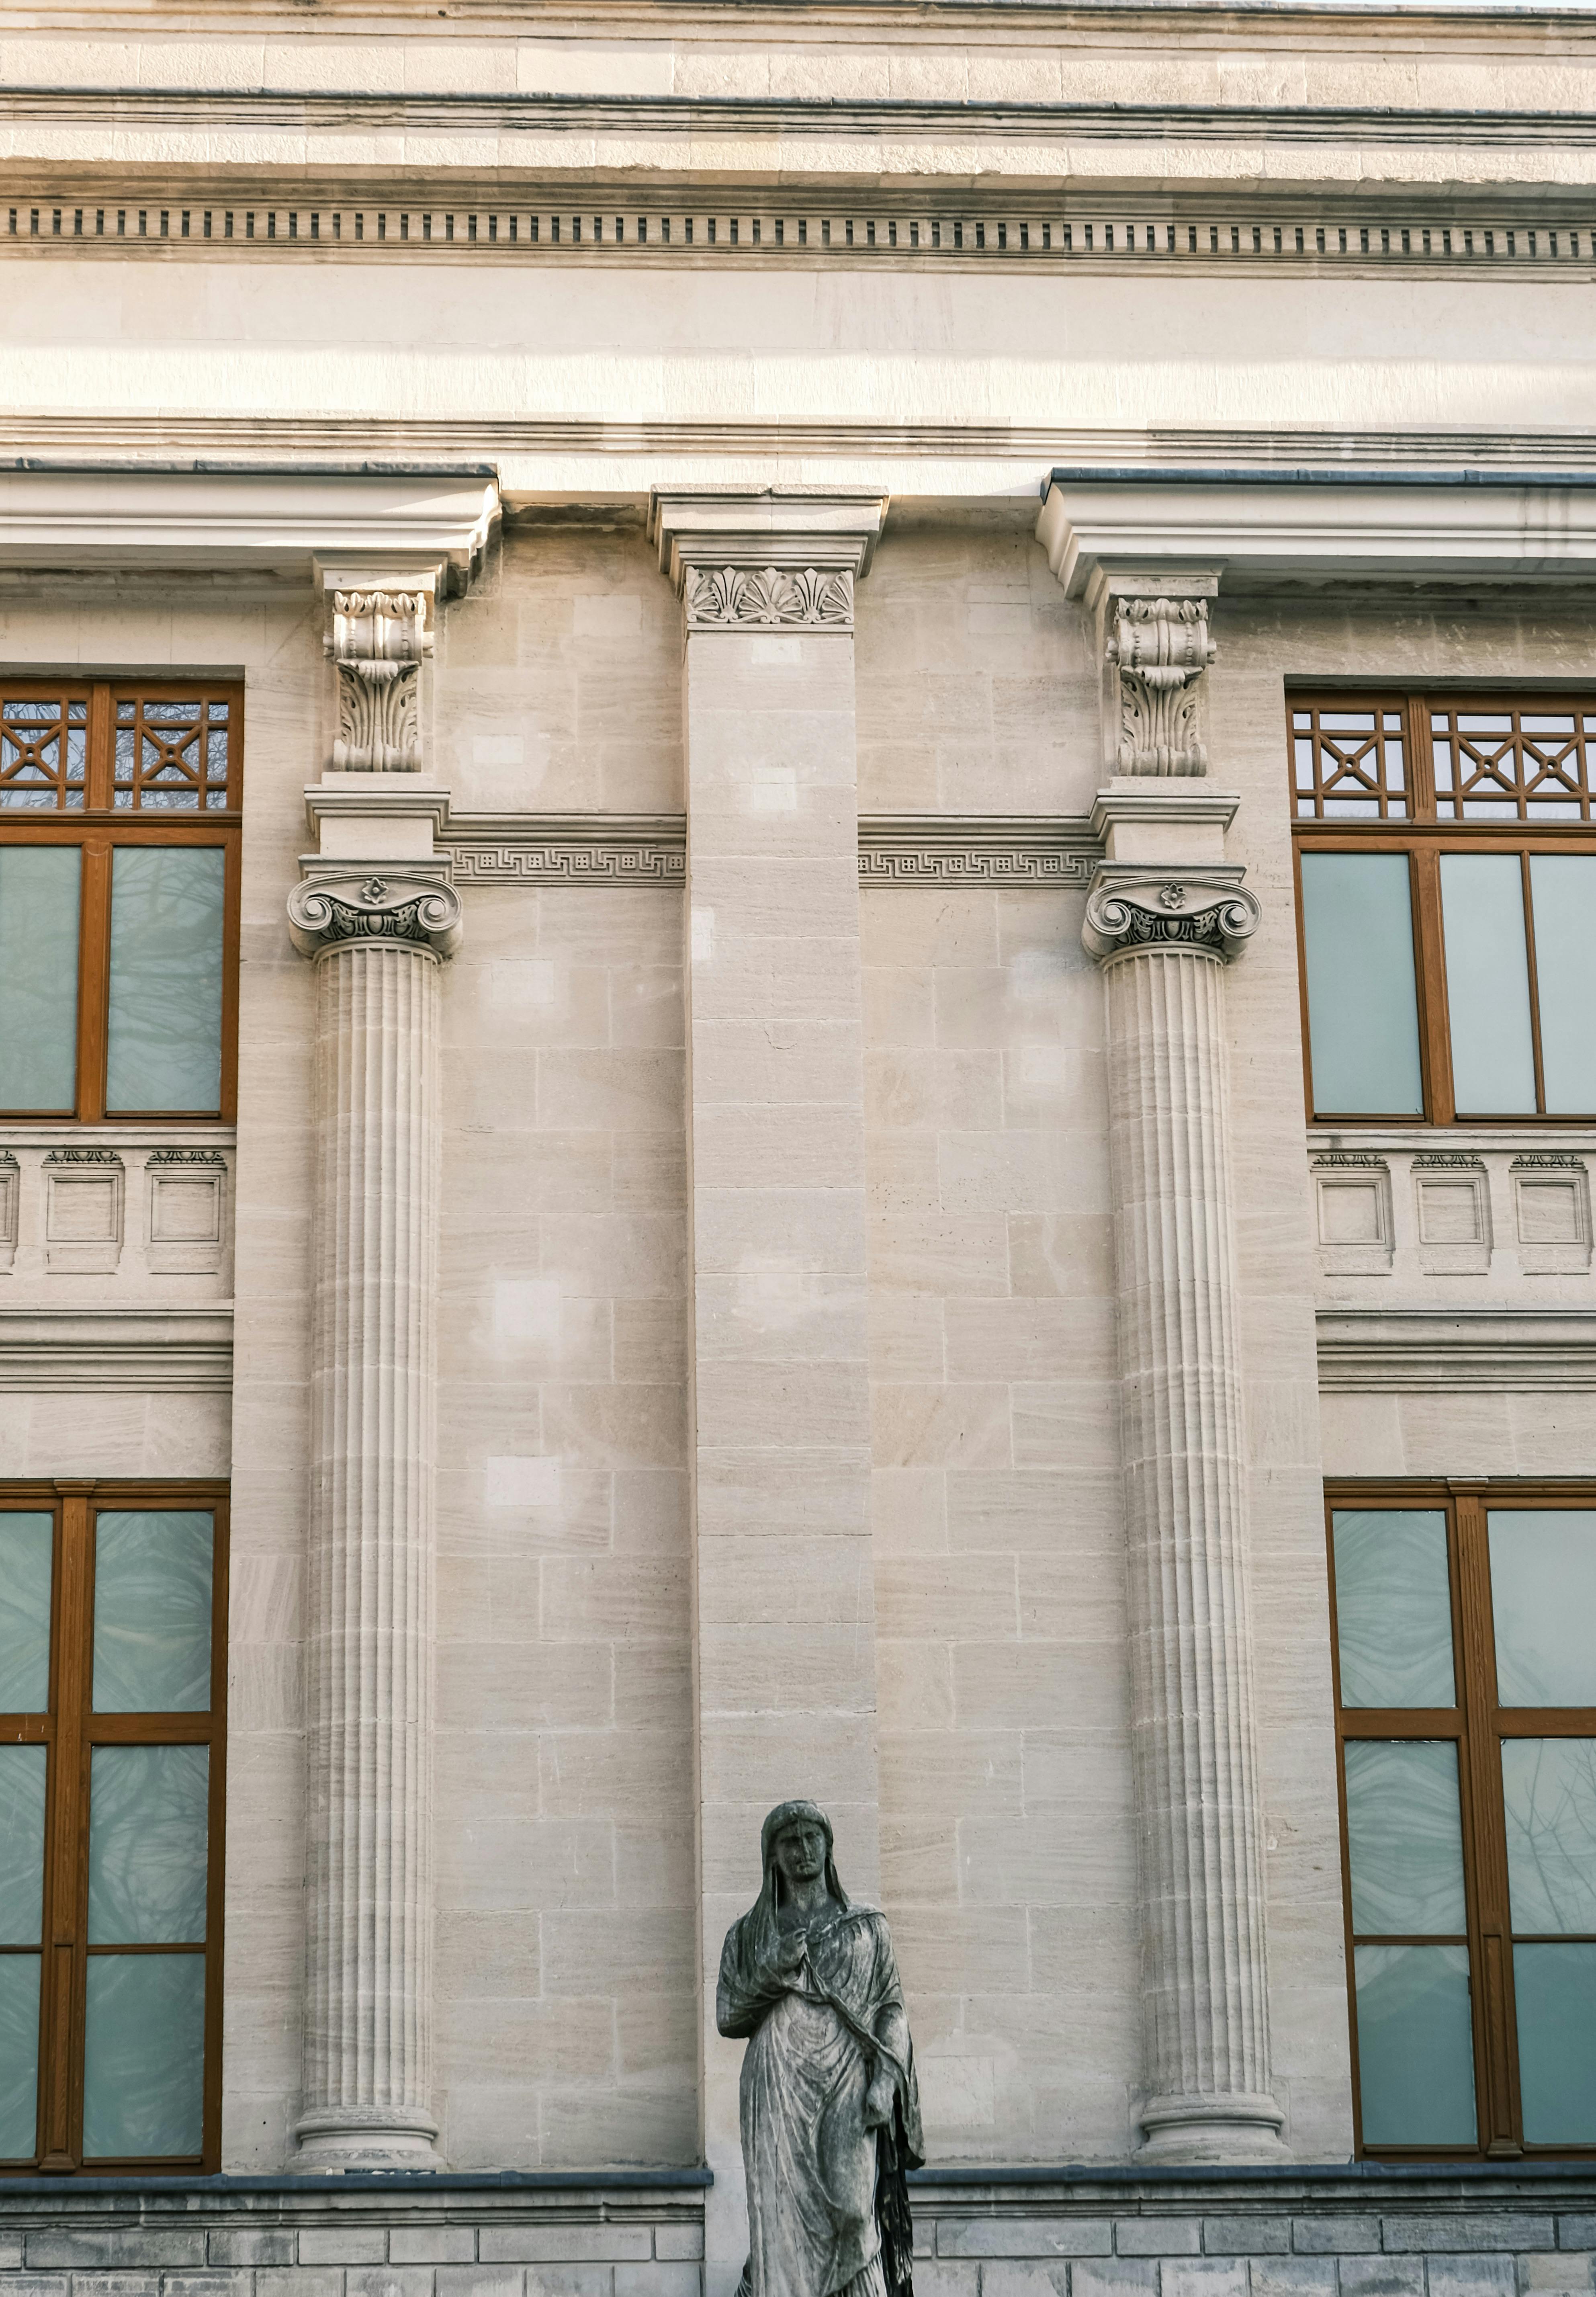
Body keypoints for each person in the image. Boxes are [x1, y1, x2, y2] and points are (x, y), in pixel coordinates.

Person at [717, 1799, 923, 2297]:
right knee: (780, 2214)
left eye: (813, 1838)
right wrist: (774, 1969)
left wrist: (885, 2081)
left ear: (829, 1848)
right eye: (791, 1842)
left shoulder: (867, 1926)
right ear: (773, 1856)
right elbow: (728, 2016)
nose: (804, 1850)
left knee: (855, 2211)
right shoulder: (749, 1934)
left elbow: (890, 2009)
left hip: (847, 2077)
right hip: (778, 2084)